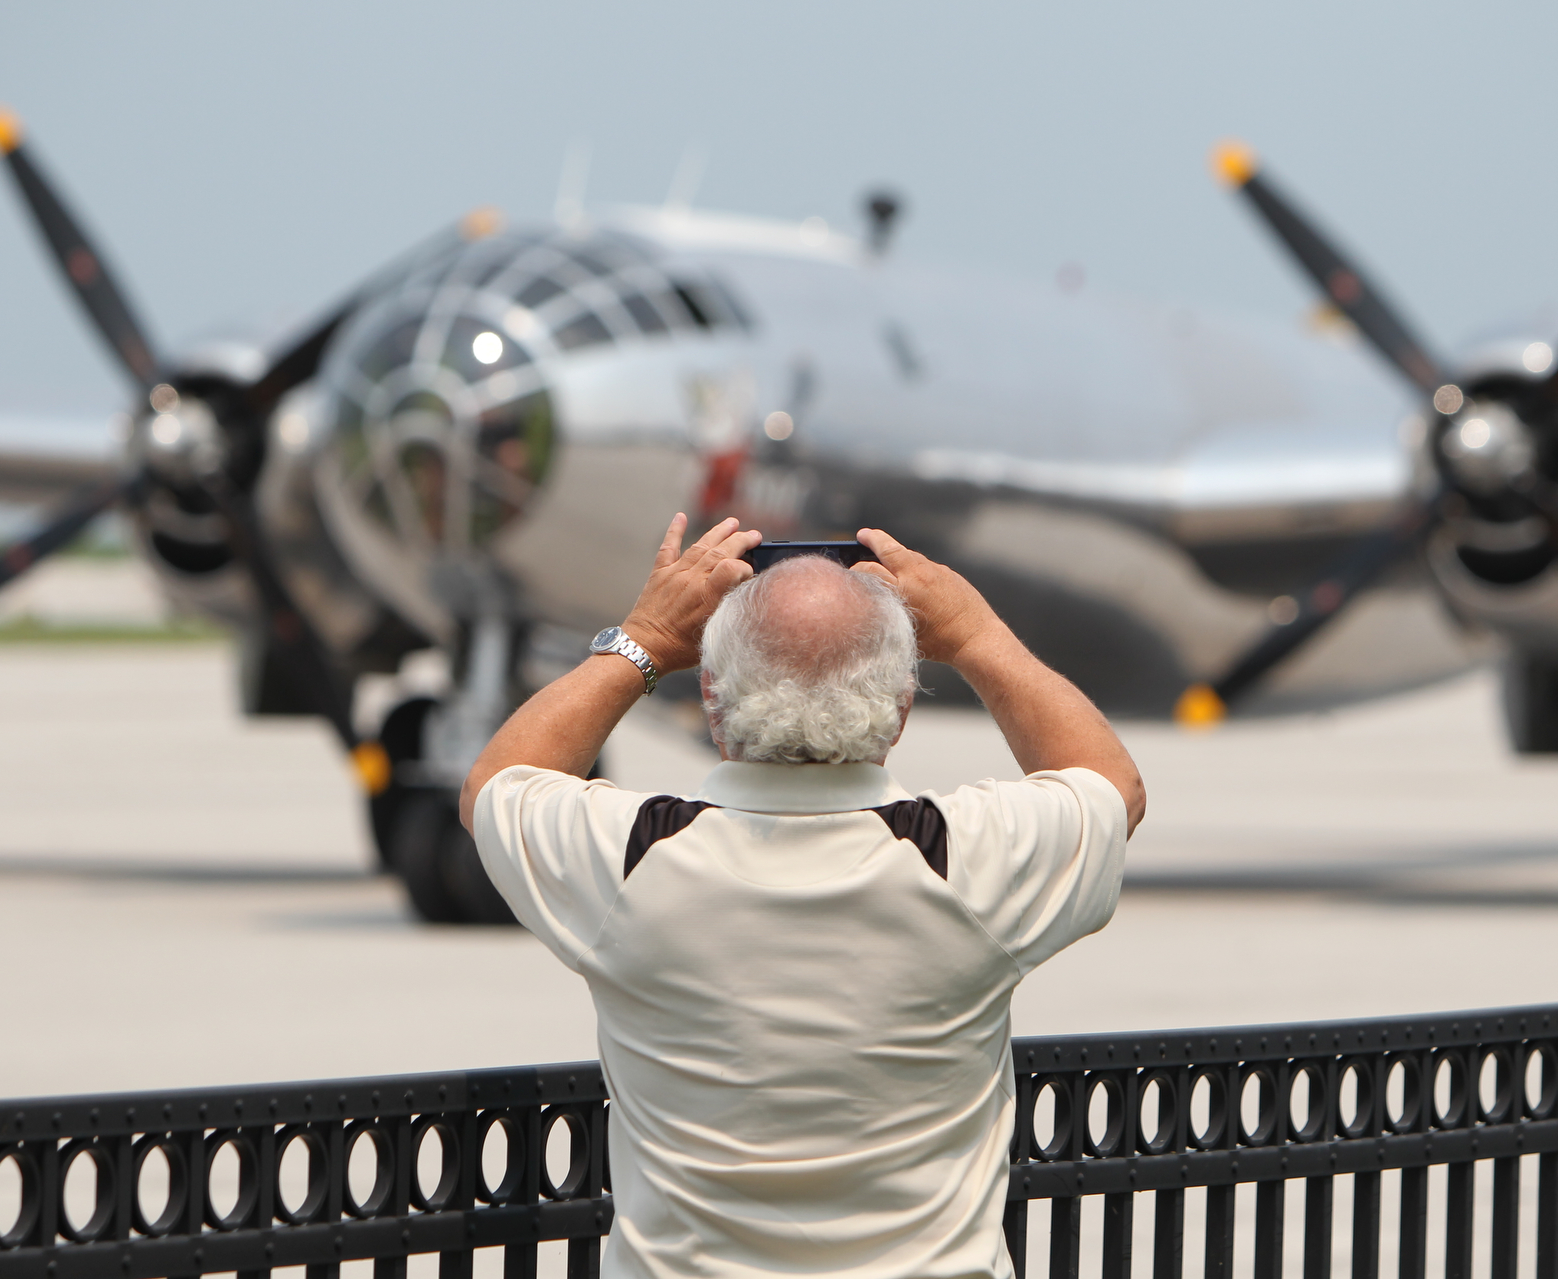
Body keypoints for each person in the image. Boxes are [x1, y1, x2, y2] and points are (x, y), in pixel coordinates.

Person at [460, 514, 1145, 1279]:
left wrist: (645, 641)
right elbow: (1110, 784)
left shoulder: (633, 858)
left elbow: (497, 783)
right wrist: (976, 634)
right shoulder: (966, 859)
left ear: (712, 701)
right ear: (901, 707)